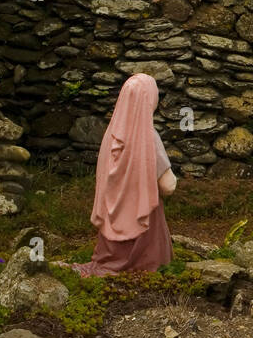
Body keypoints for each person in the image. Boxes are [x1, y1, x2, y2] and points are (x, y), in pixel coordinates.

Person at [73, 72, 176, 278]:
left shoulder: (111, 136)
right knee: (148, 271)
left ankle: (112, 261)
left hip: (110, 240)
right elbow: (168, 186)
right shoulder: (148, 137)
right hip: (144, 237)